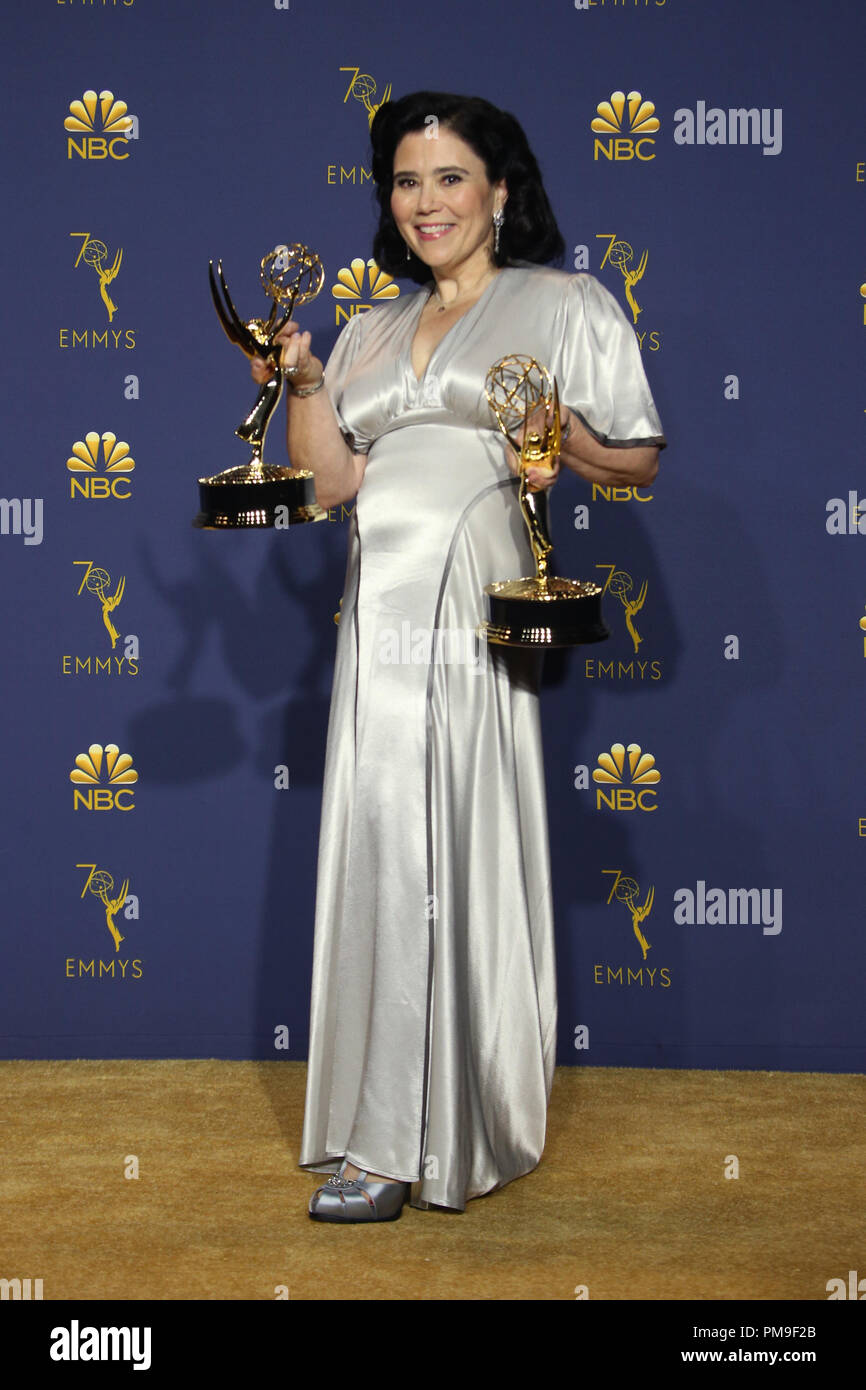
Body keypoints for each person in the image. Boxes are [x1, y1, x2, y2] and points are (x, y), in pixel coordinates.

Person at [251, 90, 665, 1223]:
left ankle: (420, 1131)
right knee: (385, 835)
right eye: (404, 179)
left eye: (447, 177)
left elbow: (633, 460)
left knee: (440, 837)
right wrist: (297, 377)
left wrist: (552, 434)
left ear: (497, 189)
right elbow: (332, 484)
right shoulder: (370, 328)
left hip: (470, 603)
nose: (424, 201)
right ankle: (377, 1120)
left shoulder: (564, 303)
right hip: (375, 609)